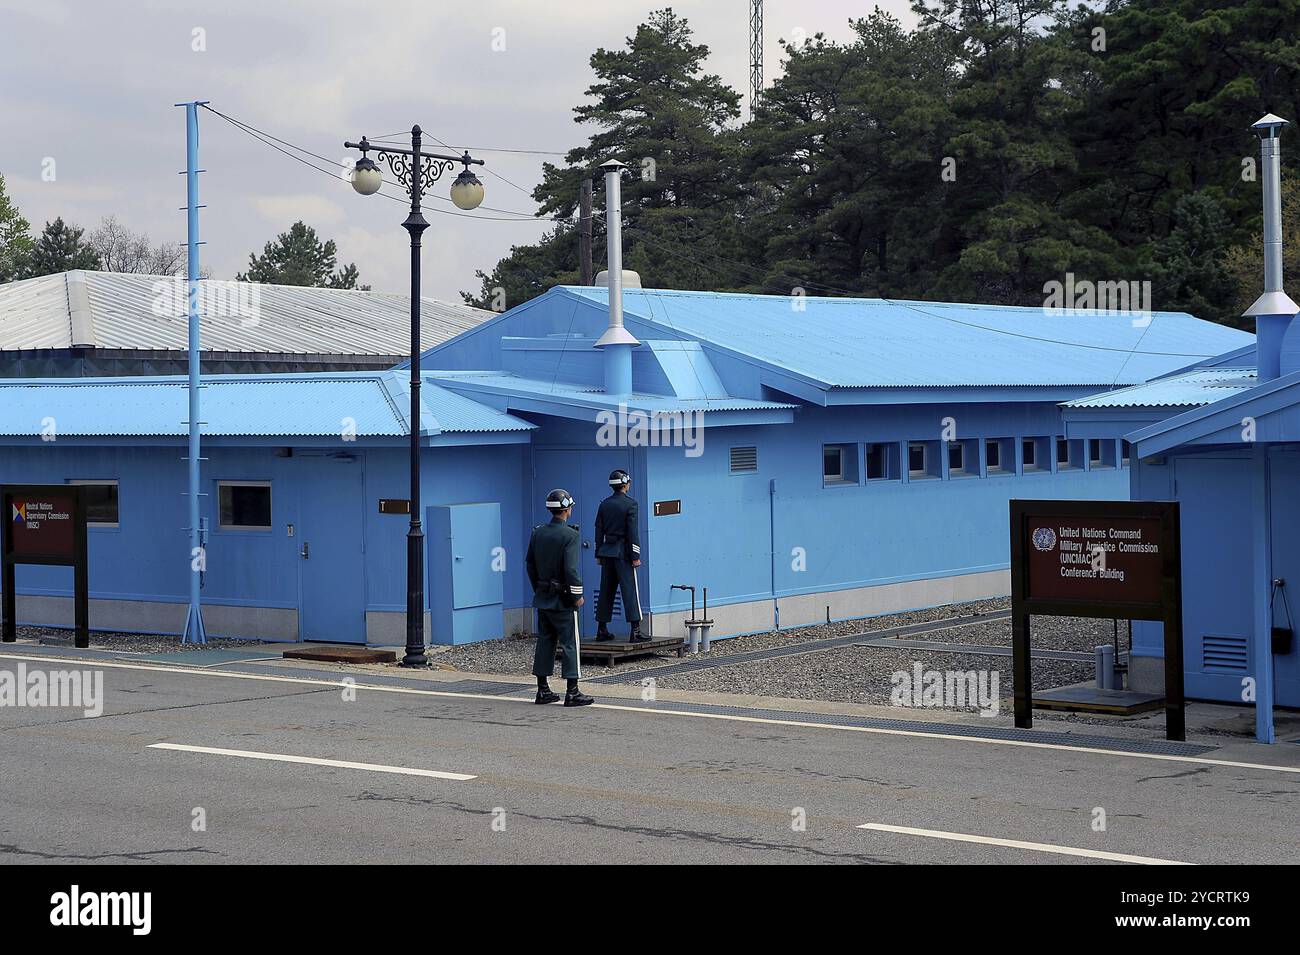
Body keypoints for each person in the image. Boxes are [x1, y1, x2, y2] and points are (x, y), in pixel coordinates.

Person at [525, 488, 593, 707]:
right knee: (570, 643)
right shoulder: (570, 535)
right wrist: (577, 596)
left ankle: (542, 689)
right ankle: (572, 691)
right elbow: (571, 570)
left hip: (543, 597)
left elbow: (530, 564)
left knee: (545, 641)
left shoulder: (538, 532)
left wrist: (538, 588)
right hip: (563, 599)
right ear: (567, 510)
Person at [594, 469, 646, 642]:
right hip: (623, 552)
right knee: (629, 590)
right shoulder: (631, 504)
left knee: (606, 590)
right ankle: (635, 630)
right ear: (625, 484)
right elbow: (633, 532)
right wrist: (635, 555)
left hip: (607, 552)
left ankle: (601, 628)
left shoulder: (604, 504)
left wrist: (598, 552)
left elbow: (598, 530)